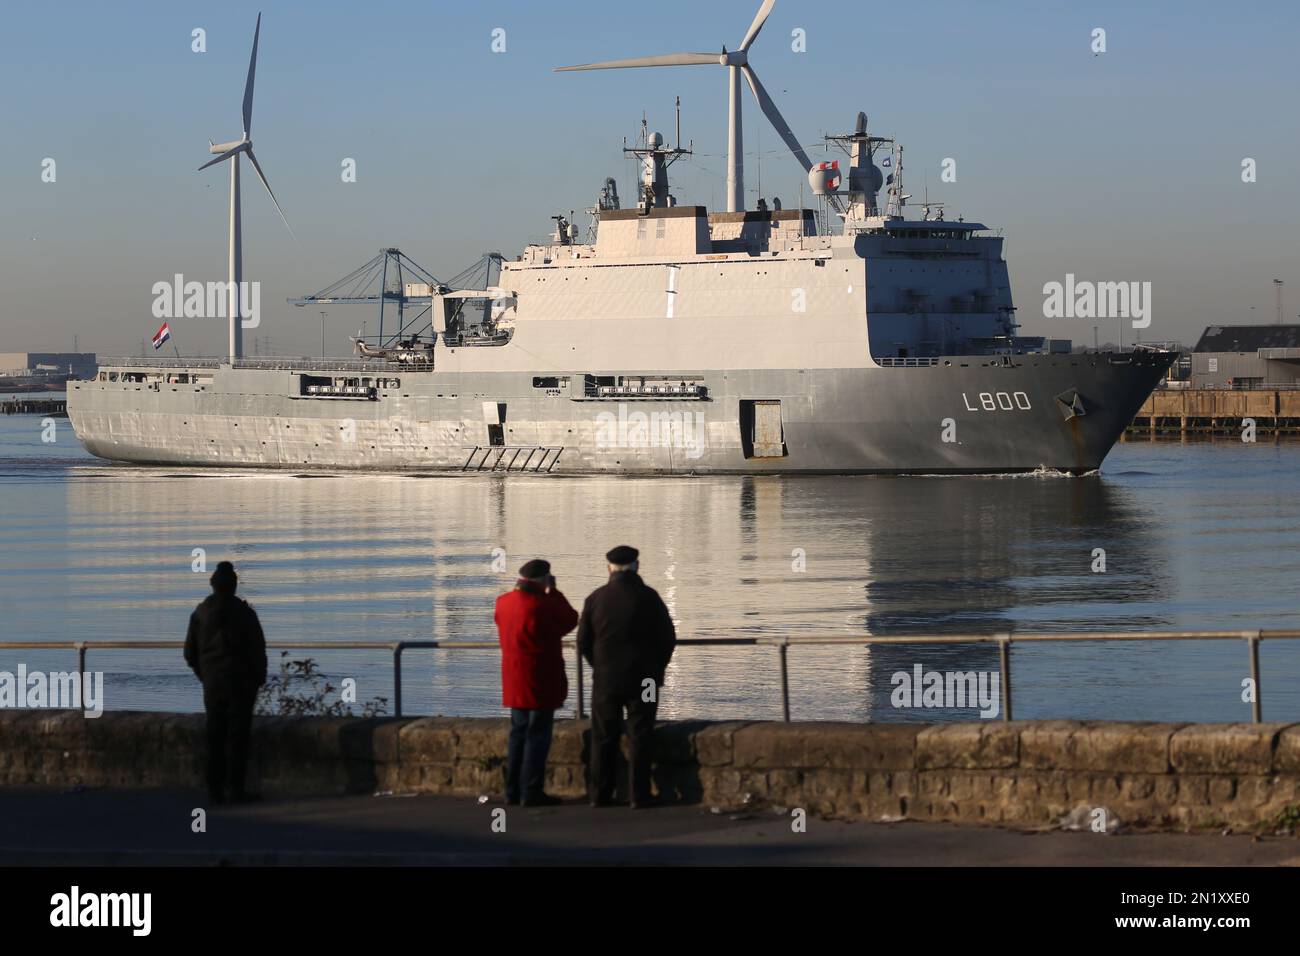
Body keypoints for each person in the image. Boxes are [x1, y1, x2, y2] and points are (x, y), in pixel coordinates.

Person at [578, 546, 677, 809]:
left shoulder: (595, 599)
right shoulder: (650, 597)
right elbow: (668, 639)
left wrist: (598, 666)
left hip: (606, 679)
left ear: (609, 568)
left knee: (603, 735)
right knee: (641, 733)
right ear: (637, 565)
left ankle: (599, 794)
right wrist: (657, 669)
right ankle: (639, 795)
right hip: (645, 680)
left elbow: (583, 643)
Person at [494, 558, 579, 806]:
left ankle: (512, 790)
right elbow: (570, 620)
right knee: (538, 736)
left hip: (513, 678)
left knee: (517, 733)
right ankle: (531, 790)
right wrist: (554, 593)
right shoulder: (541, 605)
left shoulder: (503, 603)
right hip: (540, 679)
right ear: (544, 579)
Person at [183, 561, 267, 805]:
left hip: (213, 684)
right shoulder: (245, 613)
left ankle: (214, 791)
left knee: (215, 737)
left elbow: (189, 652)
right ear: (234, 586)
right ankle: (236, 789)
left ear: (212, 585)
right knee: (239, 738)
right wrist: (257, 679)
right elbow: (257, 649)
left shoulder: (200, 613)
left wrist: (205, 674)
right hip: (241, 683)